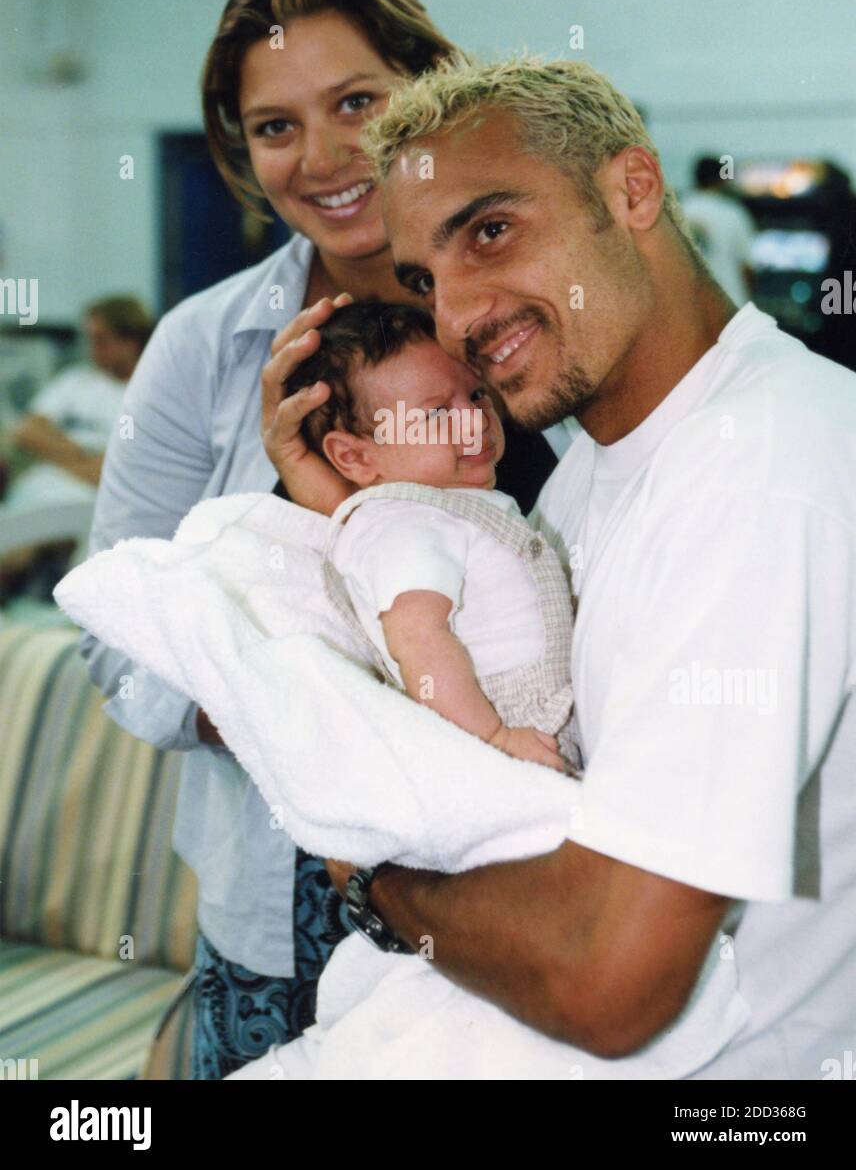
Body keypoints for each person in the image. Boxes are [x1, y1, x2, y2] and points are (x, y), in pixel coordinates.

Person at [262, 54, 856, 1078]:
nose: (457, 314)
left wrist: (365, 869)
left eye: (489, 231)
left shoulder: (759, 471)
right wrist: (350, 507)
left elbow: (607, 980)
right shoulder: (589, 475)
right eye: (423, 278)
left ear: (631, 188)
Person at [79, 0, 565, 1080]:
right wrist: (283, 695)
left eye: (357, 102)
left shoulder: (517, 315)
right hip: (270, 885)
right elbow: (114, 629)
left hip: (518, 865)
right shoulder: (203, 345)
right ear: (243, 153)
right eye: (275, 125)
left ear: (422, 90)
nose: (326, 155)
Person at [287, 299, 579, 773]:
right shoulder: (403, 525)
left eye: (477, 395)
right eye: (437, 413)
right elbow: (419, 637)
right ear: (356, 459)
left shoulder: (441, 508)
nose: (474, 419)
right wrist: (493, 738)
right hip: (502, 719)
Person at [0, 296, 152, 601]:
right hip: (35, 487)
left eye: (102, 340)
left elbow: (117, 472)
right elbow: (29, 432)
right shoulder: (76, 381)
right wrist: (83, 458)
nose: (92, 349)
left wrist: (57, 454)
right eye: (90, 339)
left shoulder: (148, 393)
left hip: (89, 505)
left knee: (30, 541)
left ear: (131, 341)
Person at [681, 155, 755, 307]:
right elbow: (747, 268)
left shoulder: (678, 210)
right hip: (729, 304)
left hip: (688, 306)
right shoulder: (733, 213)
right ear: (720, 179)